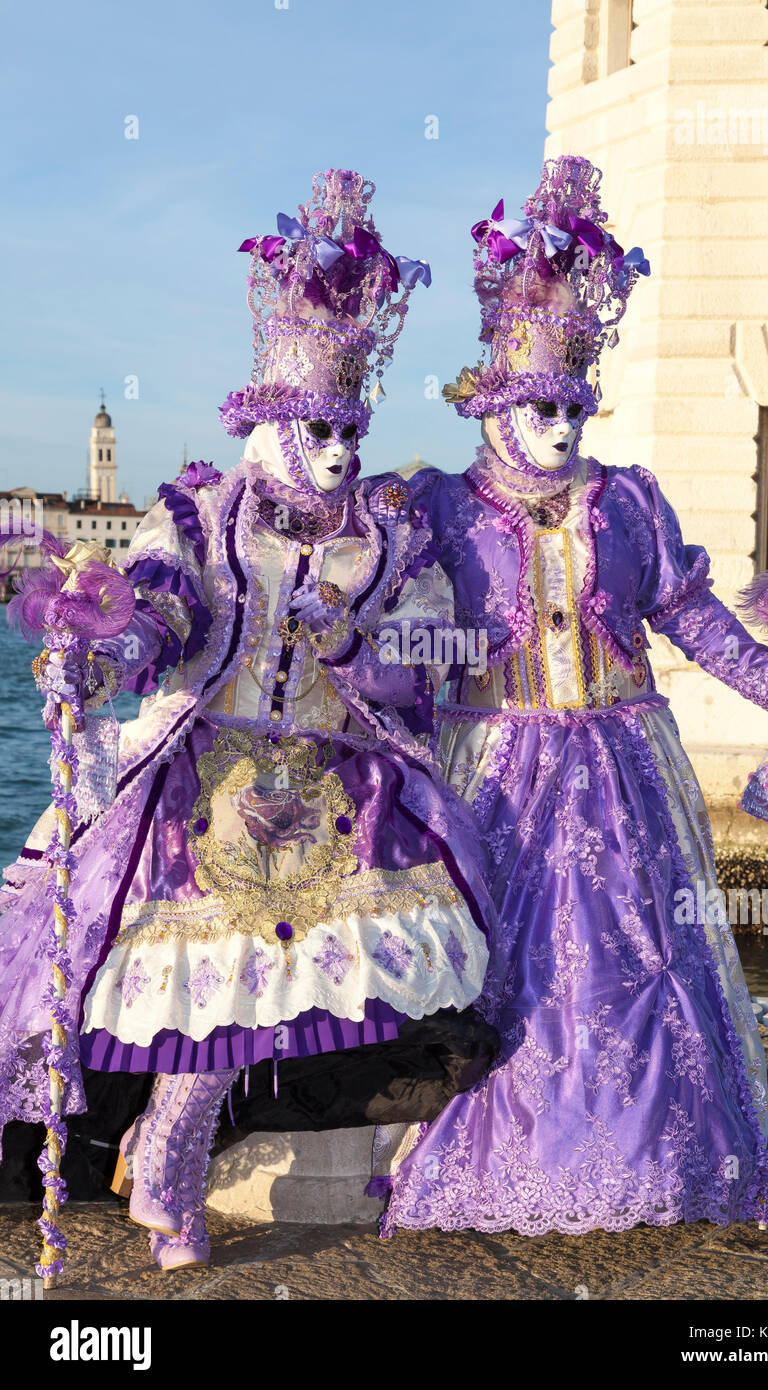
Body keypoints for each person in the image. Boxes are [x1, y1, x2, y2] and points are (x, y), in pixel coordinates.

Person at [0, 169, 492, 1269]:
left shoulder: (385, 537)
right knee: (211, 968)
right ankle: (168, 1152)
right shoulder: (200, 517)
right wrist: (95, 648)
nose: (333, 453)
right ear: (272, 417)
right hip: (207, 780)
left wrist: (356, 637)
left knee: (326, 965)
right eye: (315, 427)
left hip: (339, 785)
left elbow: (425, 663)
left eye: (348, 429)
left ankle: (198, 1147)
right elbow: (155, 623)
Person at [379, 155, 768, 1238]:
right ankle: (503, 1158)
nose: (562, 429)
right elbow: (390, 637)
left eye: (573, 404)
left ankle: (651, 1159)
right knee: (510, 973)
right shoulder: (436, 507)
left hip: (620, 772)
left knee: (630, 964)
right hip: (496, 777)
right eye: (538, 405)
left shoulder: (625, 502)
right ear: (490, 402)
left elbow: (691, 617)